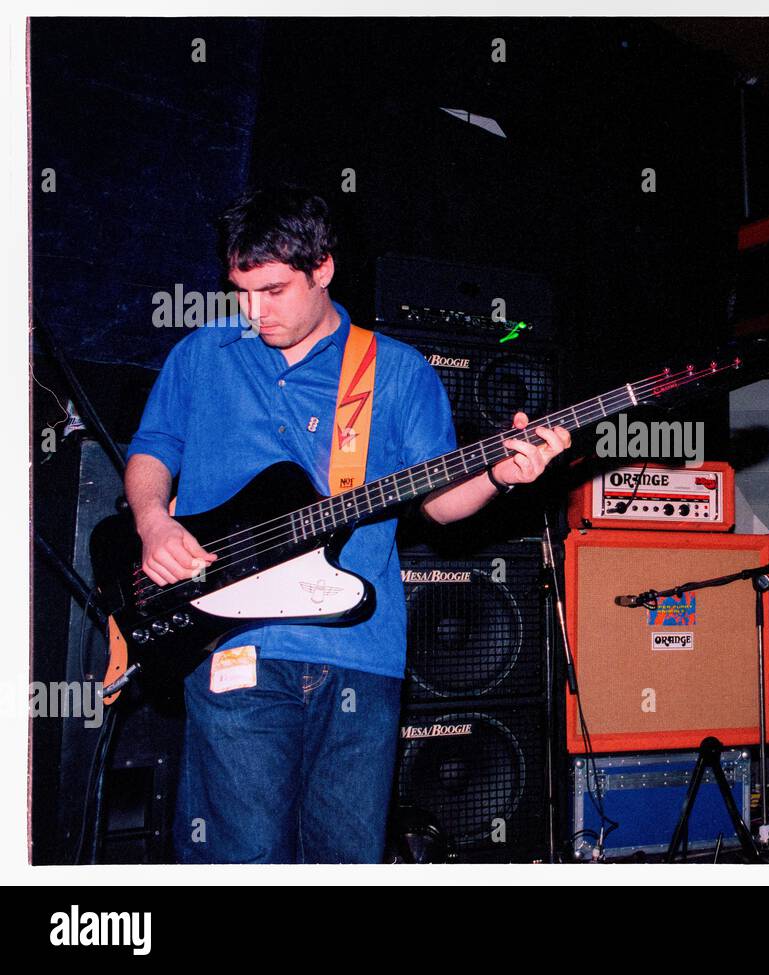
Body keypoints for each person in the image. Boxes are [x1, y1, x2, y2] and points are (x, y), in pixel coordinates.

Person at [125, 186, 571, 863]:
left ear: (324, 268)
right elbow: (152, 449)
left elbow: (441, 503)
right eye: (242, 290)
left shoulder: (395, 372)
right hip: (232, 645)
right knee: (240, 859)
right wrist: (154, 521)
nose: (255, 311)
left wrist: (501, 474)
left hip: (360, 653)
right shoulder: (204, 353)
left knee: (346, 860)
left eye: (273, 290)